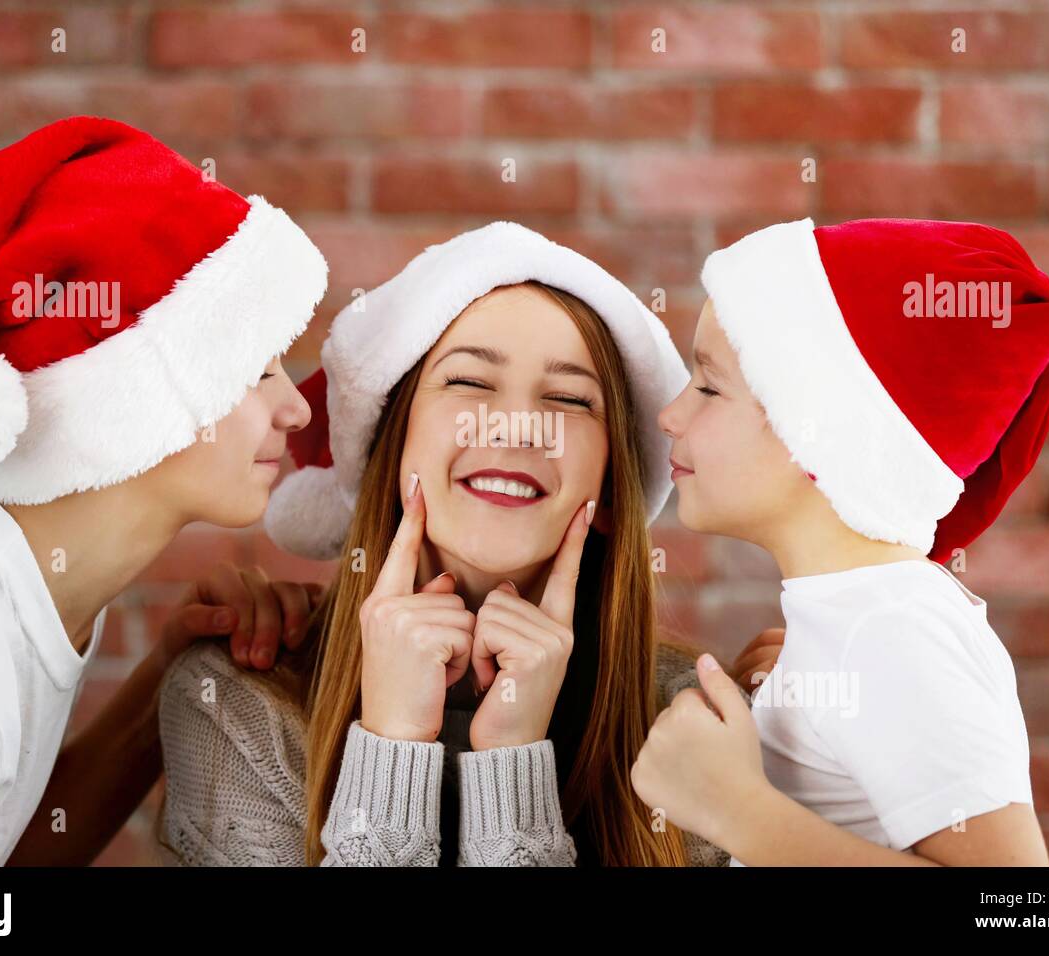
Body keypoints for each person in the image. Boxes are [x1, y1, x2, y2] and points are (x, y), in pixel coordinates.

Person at [157, 222, 779, 866]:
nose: (515, 429)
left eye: (568, 398)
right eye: (470, 384)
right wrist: (394, 743)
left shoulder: (697, 731)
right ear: (389, 442)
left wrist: (512, 763)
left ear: (612, 486)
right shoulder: (234, 707)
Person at [0, 116, 328, 865]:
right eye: (255, 369)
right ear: (133, 405)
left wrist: (166, 676)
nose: (296, 409)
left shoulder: (28, 580)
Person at [631, 216, 1049, 866]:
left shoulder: (892, 629)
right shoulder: (859, 628)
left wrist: (738, 812)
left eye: (708, 386)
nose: (671, 415)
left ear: (817, 436)